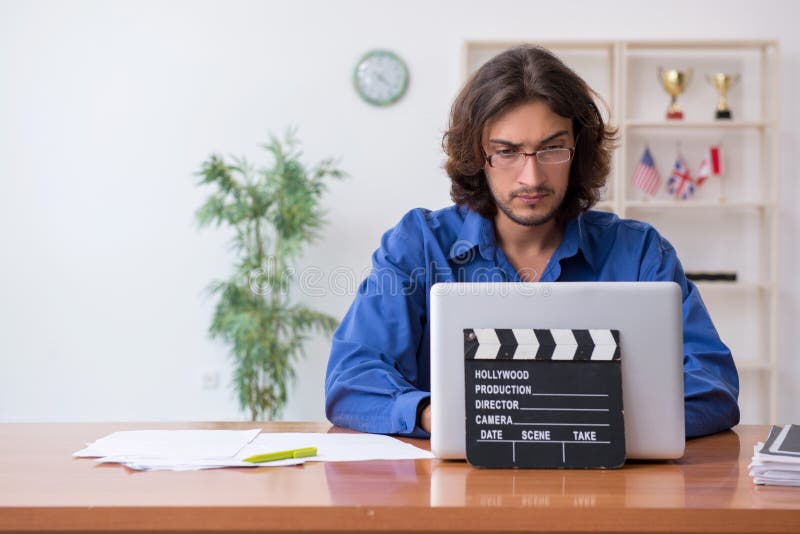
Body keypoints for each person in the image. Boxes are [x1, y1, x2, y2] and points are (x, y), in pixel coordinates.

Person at [324, 45, 740, 439]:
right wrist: (438, 417)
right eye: (506, 152)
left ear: (579, 150)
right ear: (476, 155)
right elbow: (352, 378)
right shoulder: (418, 246)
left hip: (609, 491)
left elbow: (712, 383)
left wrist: (581, 420)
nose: (532, 178)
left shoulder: (640, 253)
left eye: (553, 149)